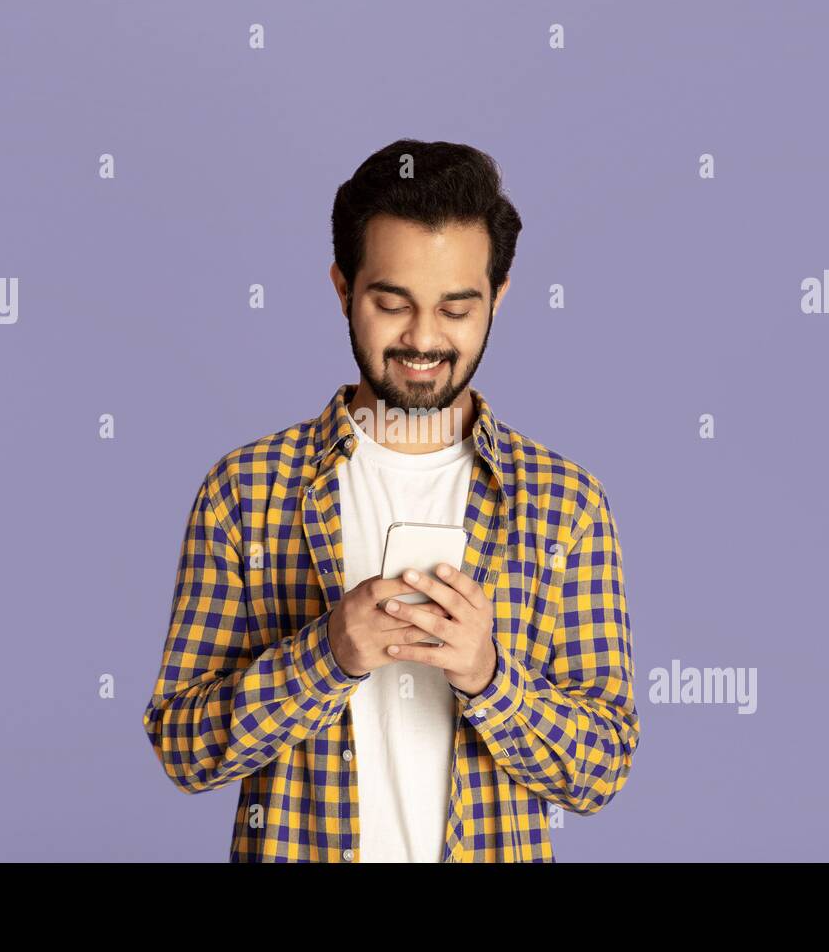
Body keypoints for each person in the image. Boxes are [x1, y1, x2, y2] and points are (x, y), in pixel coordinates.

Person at [142, 139, 640, 862]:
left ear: (497, 298)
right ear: (345, 290)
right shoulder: (246, 492)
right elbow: (185, 752)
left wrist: (490, 678)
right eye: (392, 302)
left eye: (456, 308)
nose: (424, 337)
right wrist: (327, 656)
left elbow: (601, 769)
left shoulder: (565, 506)